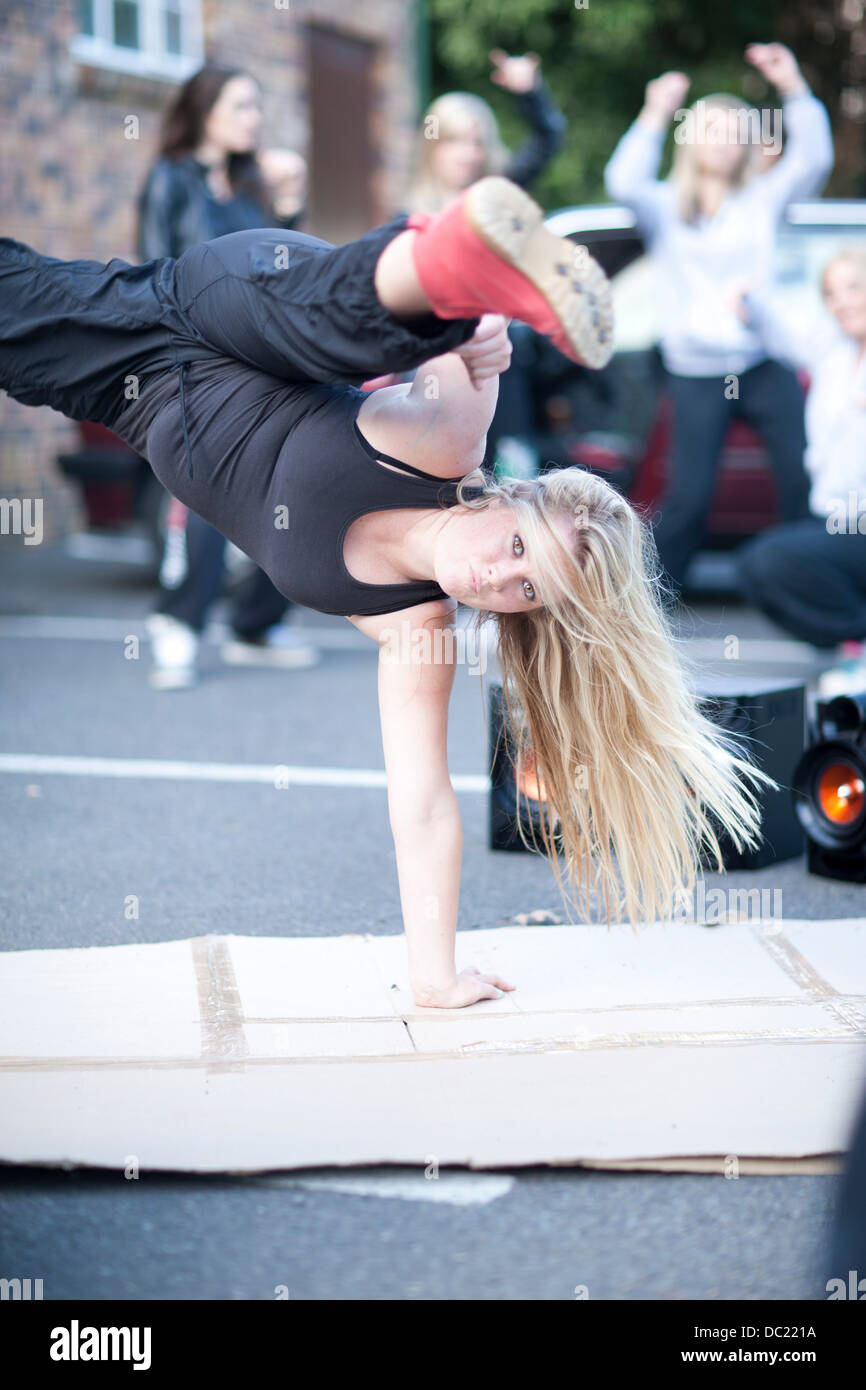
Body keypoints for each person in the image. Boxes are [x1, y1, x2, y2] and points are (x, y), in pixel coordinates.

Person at [0, 175, 770, 1010]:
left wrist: (434, 978)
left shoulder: (416, 630)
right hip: (232, 306)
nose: (496, 578)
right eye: (516, 547)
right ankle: (452, 261)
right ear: (508, 497)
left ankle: (451, 278)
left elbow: (426, 803)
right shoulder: (446, 444)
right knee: (361, 324)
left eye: (522, 590)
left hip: (140, 383)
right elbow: (456, 370)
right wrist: (477, 325)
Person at [604, 42, 834, 597]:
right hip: (696, 371)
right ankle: (655, 604)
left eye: (737, 132)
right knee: (689, 495)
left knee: (800, 477)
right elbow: (621, 180)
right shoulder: (663, 206)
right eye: (714, 130)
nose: (725, 142)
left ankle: (811, 589)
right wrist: (656, 112)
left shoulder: (762, 200)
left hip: (759, 363)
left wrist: (794, 87)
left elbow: (816, 159)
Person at [137, 62, 318, 689]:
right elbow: (154, 275)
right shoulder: (170, 180)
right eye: (241, 105)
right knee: (201, 497)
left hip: (261, 363)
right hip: (197, 365)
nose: (253, 118)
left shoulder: (250, 188)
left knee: (286, 490)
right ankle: (177, 624)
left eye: (256, 107)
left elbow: (281, 271)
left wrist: (289, 210)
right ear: (206, 109)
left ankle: (255, 624)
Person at [407, 49, 568, 480]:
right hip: (436, 362)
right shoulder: (410, 218)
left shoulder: (498, 197)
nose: (467, 153)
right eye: (455, 140)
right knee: (444, 481)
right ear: (434, 148)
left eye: (477, 141)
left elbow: (548, 139)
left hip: (502, 362)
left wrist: (530, 91)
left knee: (514, 476)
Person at [735, 248, 866, 695]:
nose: (842, 302)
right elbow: (785, 330)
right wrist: (750, 300)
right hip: (832, 518)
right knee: (759, 569)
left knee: (773, 559)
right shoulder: (833, 352)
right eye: (831, 293)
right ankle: (854, 644)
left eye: (854, 287)